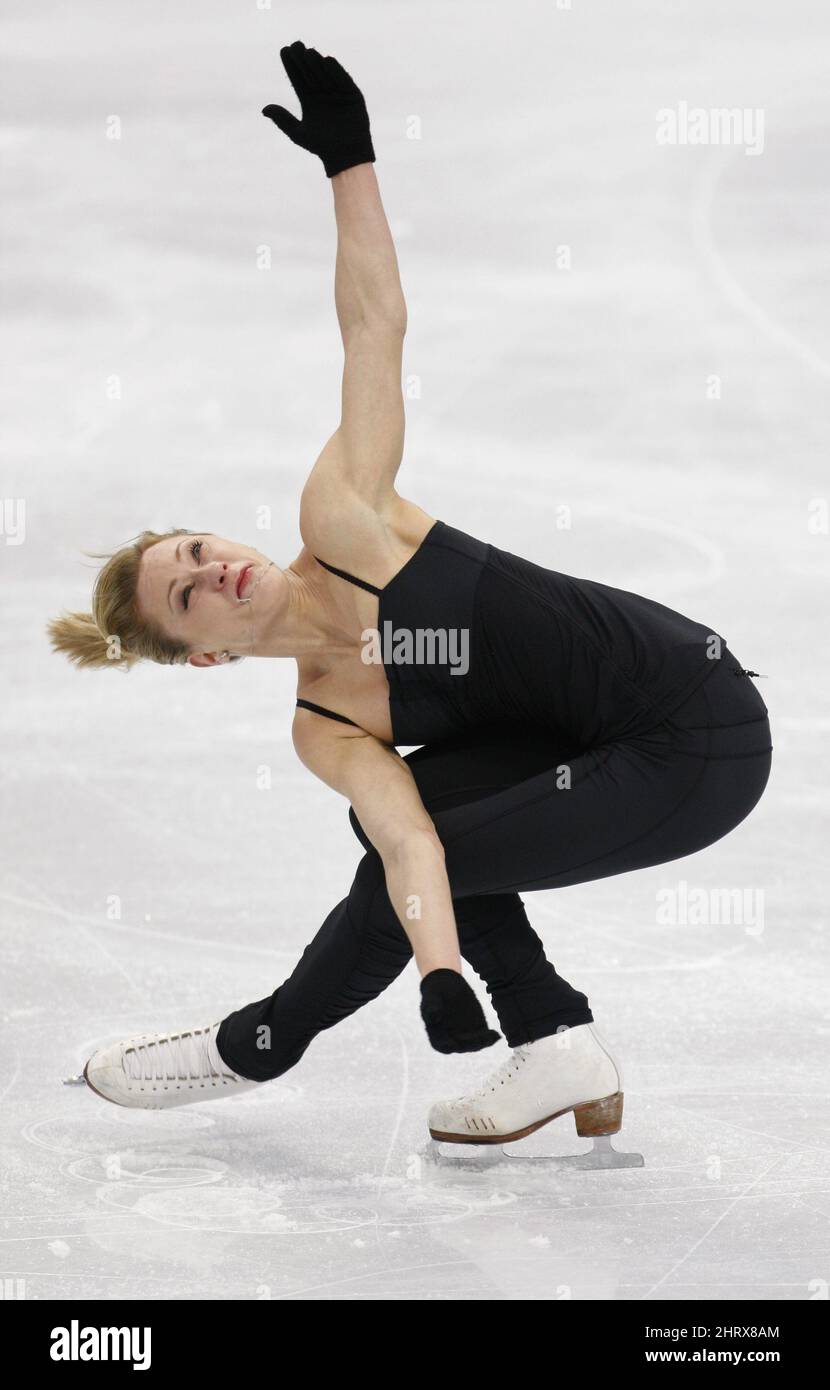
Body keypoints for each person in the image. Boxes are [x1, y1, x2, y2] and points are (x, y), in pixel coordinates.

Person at [48, 43, 772, 1150]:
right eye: (188, 594)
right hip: (614, 744)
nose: (213, 569)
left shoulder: (346, 518)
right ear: (202, 654)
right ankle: (548, 1038)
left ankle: (263, 1043)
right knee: (396, 825)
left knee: (431, 833)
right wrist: (439, 975)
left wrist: (349, 158)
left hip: (695, 730)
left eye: (196, 545)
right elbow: (405, 844)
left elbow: (372, 326)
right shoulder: (326, 722)